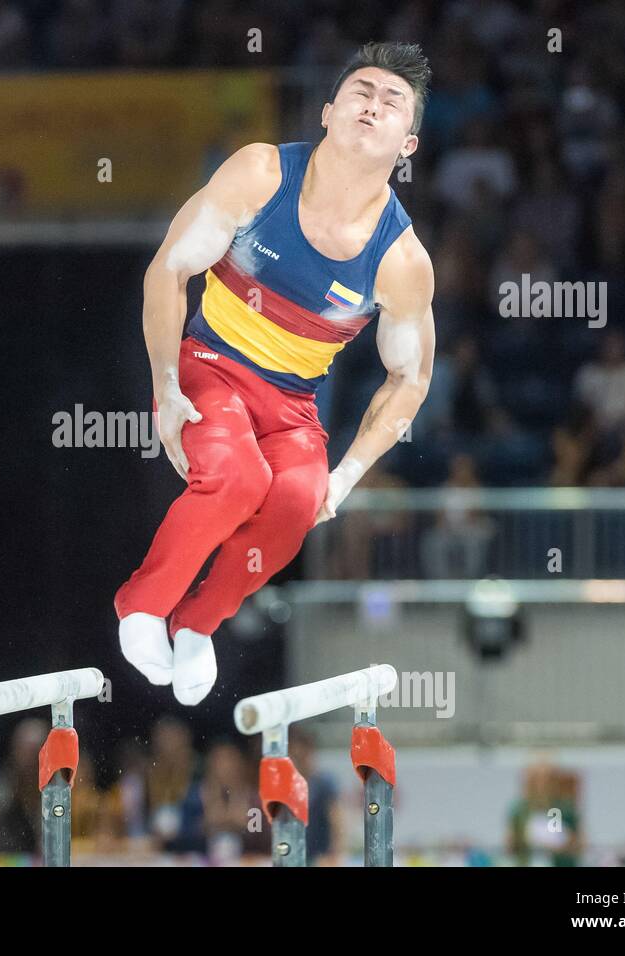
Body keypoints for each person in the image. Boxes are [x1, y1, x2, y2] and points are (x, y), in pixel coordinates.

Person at [115, 42, 437, 704]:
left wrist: (345, 477)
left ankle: (198, 626)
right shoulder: (261, 175)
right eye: (361, 92)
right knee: (237, 479)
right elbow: (170, 268)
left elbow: (411, 379)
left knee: (295, 500)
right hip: (210, 365)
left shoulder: (401, 262)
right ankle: (142, 607)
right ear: (326, 111)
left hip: (292, 404)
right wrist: (165, 388)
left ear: (409, 142)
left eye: (392, 101)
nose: (373, 105)